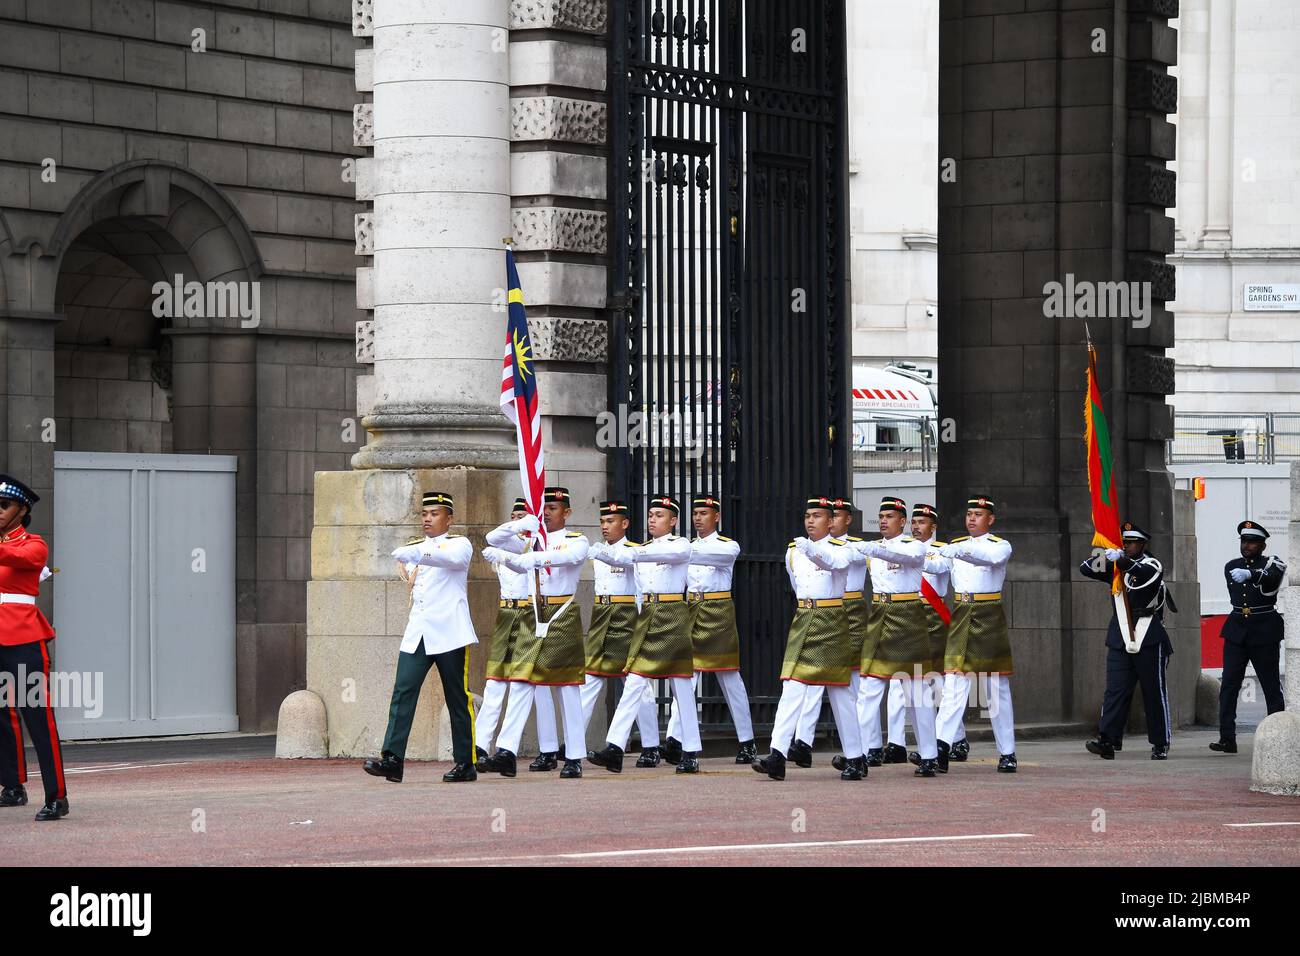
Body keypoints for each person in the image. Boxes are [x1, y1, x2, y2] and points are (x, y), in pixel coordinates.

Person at [363, 491, 478, 784]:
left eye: (435, 513)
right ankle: (393, 759)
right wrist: (412, 554)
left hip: (450, 633)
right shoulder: (415, 547)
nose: (428, 518)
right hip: (419, 633)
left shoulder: (459, 544)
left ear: (449, 518)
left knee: (457, 698)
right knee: (403, 692)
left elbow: (449, 560)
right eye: (424, 514)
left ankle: (466, 763)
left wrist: (416, 554)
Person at [753, 496, 865, 781]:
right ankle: (777, 754)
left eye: (817, 516)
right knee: (792, 687)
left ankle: (856, 756)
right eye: (807, 516)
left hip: (831, 619)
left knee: (840, 691)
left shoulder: (845, 548)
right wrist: (805, 549)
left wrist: (812, 550)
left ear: (831, 522)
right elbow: (796, 585)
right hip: (804, 617)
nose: (810, 521)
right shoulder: (794, 551)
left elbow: (833, 565)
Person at [588, 495, 702, 774]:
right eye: (651, 515)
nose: (653, 519)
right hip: (648, 614)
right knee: (635, 681)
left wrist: (628, 554)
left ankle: (691, 751)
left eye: (660, 515)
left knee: (681, 686)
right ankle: (615, 747)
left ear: (673, 520)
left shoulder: (680, 544)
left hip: (673, 613)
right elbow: (638, 586)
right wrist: (601, 552)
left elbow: (664, 556)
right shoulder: (642, 549)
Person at [480, 487, 589, 779]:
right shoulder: (531, 540)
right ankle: (506, 751)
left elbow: (570, 557)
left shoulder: (576, 540)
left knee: (567, 687)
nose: (547, 514)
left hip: (561, 613)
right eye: (544, 509)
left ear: (566, 512)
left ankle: (575, 756)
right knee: (520, 681)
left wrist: (535, 558)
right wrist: (520, 526)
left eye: (553, 509)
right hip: (533, 614)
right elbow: (493, 540)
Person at [663, 493, 756, 764]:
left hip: (717, 612)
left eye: (704, 514)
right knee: (685, 676)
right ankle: (674, 738)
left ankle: (747, 741)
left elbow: (712, 557)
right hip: (691, 609)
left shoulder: (728, 546)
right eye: (695, 514)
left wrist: (680, 551)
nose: (698, 519)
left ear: (716, 516)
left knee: (729, 679)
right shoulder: (687, 546)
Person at [0, 475, 67, 820]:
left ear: (21, 509)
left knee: (38, 718)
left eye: (3, 506)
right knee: (2, 717)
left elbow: (15, 557)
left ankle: (57, 796)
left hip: (23, 637)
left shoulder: (34, 544)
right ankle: (12, 786)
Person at [856, 496, 938, 776]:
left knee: (915, 691)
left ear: (902, 522)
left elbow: (904, 558)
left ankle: (929, 755)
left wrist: (874, 550)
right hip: (879, 612)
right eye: (880, 516)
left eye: (889, 516)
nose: (883, 520)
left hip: (907, 614)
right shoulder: (873, 548)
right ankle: (866, 751)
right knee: (869, 687)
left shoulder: (912, 545)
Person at [936, 495, 1016, 773]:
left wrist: (958, 552)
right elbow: (936, 566)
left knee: (995, 687)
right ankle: (941, 747)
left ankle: (1007, 752)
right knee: (954, 682)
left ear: (990, 519)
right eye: (969, 513)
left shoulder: (999, 545)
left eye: (978, 514)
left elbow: (990, 560)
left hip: (988, 611)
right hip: (961, 611)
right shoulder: (955, 546)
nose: (971, 518)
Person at [480, 501, 562, 772]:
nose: (517, 522)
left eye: (522, 516)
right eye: (513, 516)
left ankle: (547, 749)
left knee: (533, 685)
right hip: (507, 615)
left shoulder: (538, 545)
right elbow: (493, 537)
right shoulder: (509, 541)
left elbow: (527, 564)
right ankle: (480, 745)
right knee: (495, 681)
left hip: (530, 613)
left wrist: (529, 532)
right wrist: (517, 525)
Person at [1080, 522, 1174, 760]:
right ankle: (1108, 740)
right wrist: (1103, 552)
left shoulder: (1152, 564)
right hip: (1120, 637)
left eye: (1131, 542)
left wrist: (1121, 560)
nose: (1126, 546)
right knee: (1115, 691)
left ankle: (1160, 743)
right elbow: (1086, 569)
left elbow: (1142, 575)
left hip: (1149, 637)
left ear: (1142, 544)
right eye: (1123, 542)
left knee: (1154, 693)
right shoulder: (1116, 567)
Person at [792, 496, 867, 770]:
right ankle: (803, 741)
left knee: (852, 682)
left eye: (835, 516)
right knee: (811, 679)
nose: (830, 521)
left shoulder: (855, 547)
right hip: (824, 609)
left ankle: (863, 746)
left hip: (849, 610)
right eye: (828, 516)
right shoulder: (805, 549)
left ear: (847, 519)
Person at [584, 499, 661, 766]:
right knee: (591, 677)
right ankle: (573, 739)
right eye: (603, 522)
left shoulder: (634, 551)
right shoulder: (597, 550)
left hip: (627, 616)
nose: (605, 526)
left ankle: (651, 745)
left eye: (611, 521)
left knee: (635, 682)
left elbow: (636, 580)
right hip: (602, 614)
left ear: (625, 523)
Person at [1212, 520, 1287, 754]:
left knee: (1271, 685)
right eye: (1244, 541)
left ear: (1263, 545)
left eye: (1253, 542)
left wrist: (1251, 574)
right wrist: (1250, 573)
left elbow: (1271, 578)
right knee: (1229, 685)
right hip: (1237, 629)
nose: (1247, 546)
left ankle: (1278, 738)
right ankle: (1227, 738)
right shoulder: (1231, 566)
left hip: (1264, 629)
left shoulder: (1274, 564)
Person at [906, 503, 964, 766]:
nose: (916, 527)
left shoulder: (943, 550)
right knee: (915, 682)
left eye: (921, 522)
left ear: (933, 526)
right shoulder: (905, 547)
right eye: (914, 522)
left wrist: (917, 557)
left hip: (934, 614)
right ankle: (949, 740)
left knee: (938, 682)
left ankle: (955, 738)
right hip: (909, 615)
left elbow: (940, 570)